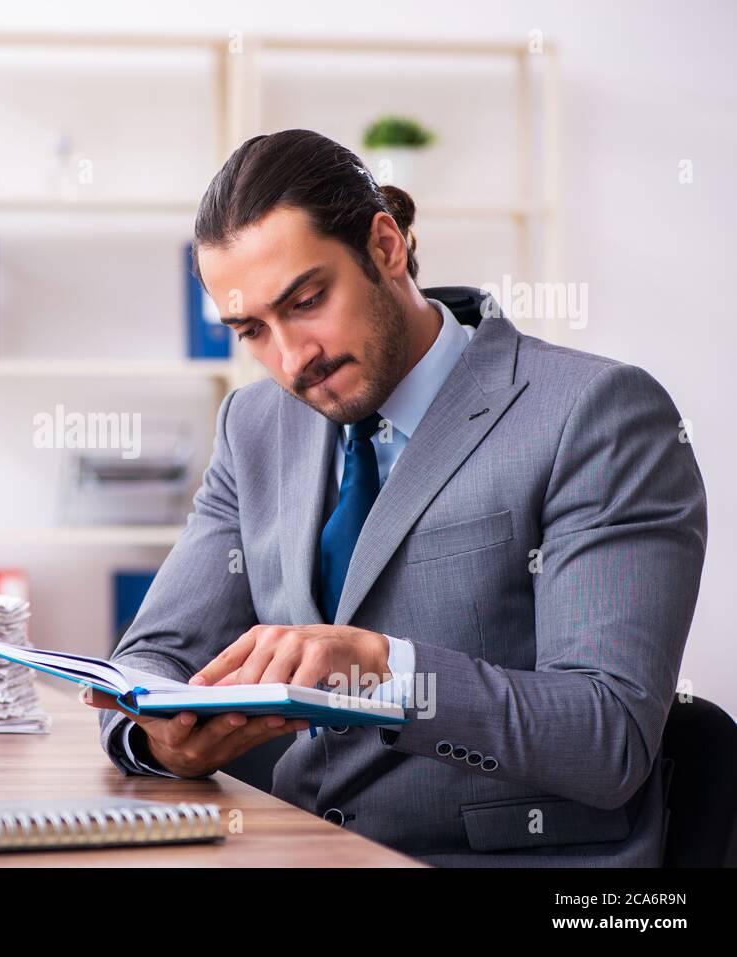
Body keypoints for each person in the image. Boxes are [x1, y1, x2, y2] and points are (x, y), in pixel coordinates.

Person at [90, 128, 706, 866]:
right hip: (299, 851)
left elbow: (608, 735)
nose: (291, 358)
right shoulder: (254, 426)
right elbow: (153, 655)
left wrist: (385, 670)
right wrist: (159, 736)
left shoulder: (597, 413)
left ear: (385, 246)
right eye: (252, 329)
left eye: (309, 300)